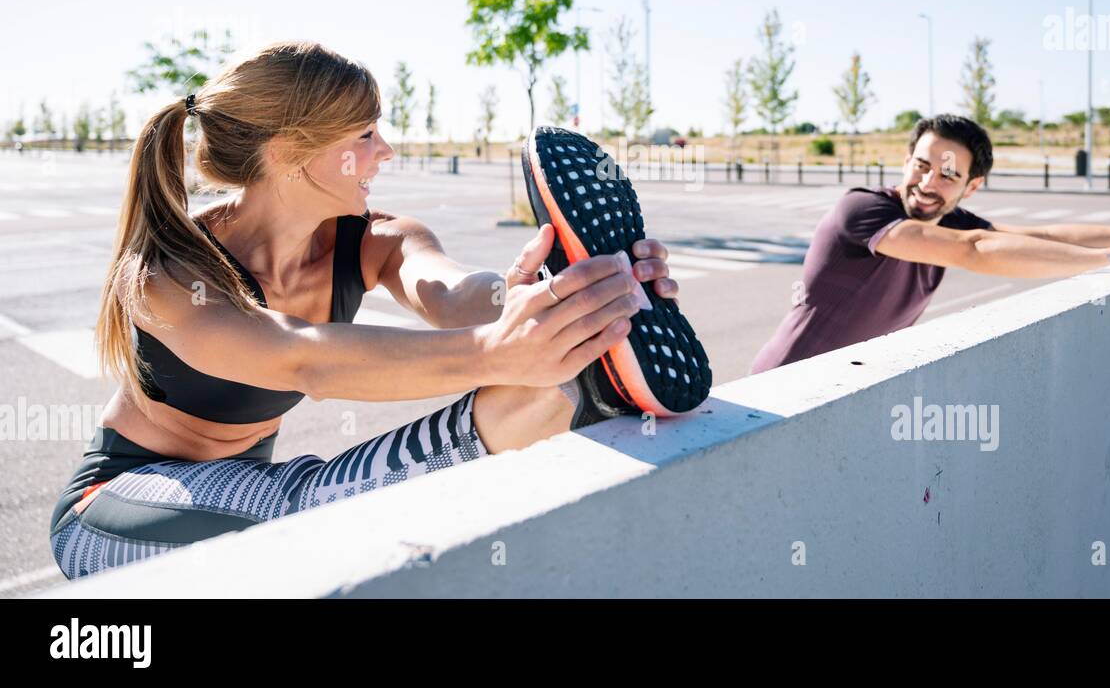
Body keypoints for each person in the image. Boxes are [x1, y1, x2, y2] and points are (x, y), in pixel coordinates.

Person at [49, 42, 681, 580]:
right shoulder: (169, 272)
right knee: (312, 510)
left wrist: (541, 295)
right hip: (118, 505)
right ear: (291, 151)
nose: (386, 151)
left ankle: (590, 386)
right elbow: (301, 359)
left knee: (529, 392)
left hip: (249, 495)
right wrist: (497, 347)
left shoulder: (374, 238)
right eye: (365, 135)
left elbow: (452, 294)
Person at [750, 113, 1110, 375]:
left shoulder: (955, 219)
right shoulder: (862, 211)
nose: (928, 182)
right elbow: (972, 250)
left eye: (948, 174)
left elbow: (1041, 236)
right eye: (921, 165)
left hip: (840, 386)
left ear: (971, 186)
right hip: (783, 385)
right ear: (906, 162)